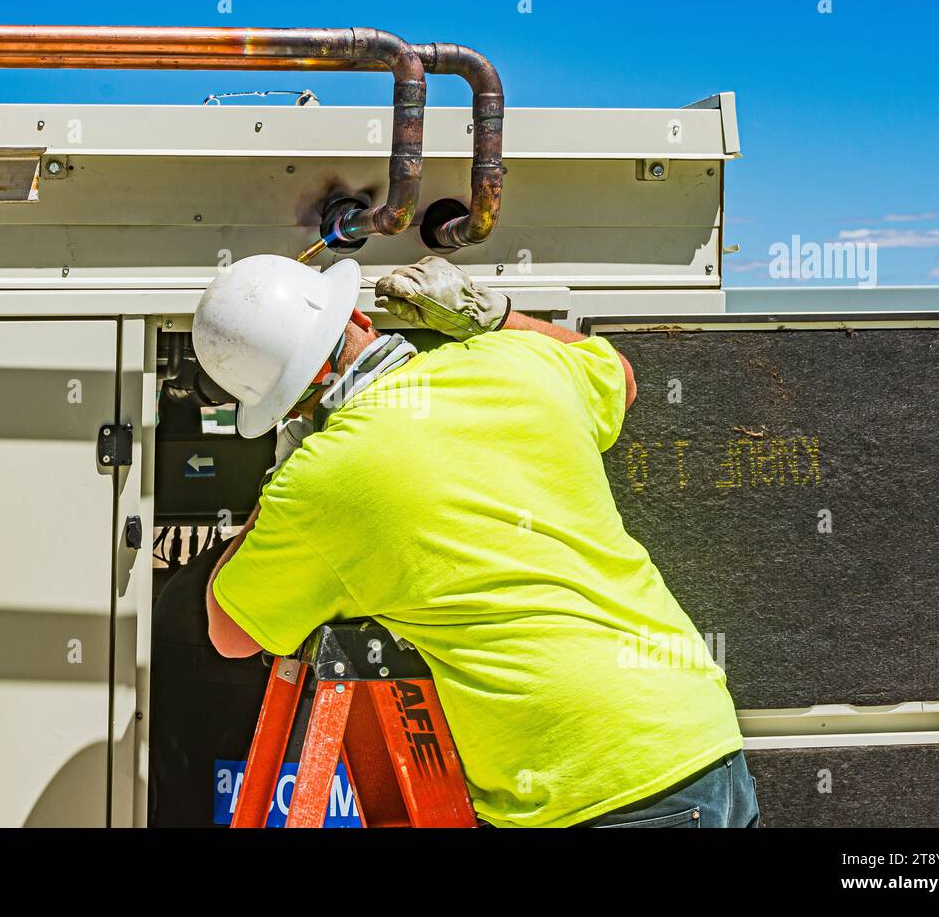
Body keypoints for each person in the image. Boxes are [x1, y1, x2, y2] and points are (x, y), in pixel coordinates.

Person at [190, 253, 758, 828]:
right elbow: (619, 376)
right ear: (359, 320)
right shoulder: (515, 363)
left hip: (585, 785)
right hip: (698, 734)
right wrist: (494, 316)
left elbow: (229, 631)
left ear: (285, 402)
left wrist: (276, 487)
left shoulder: (318, 484)